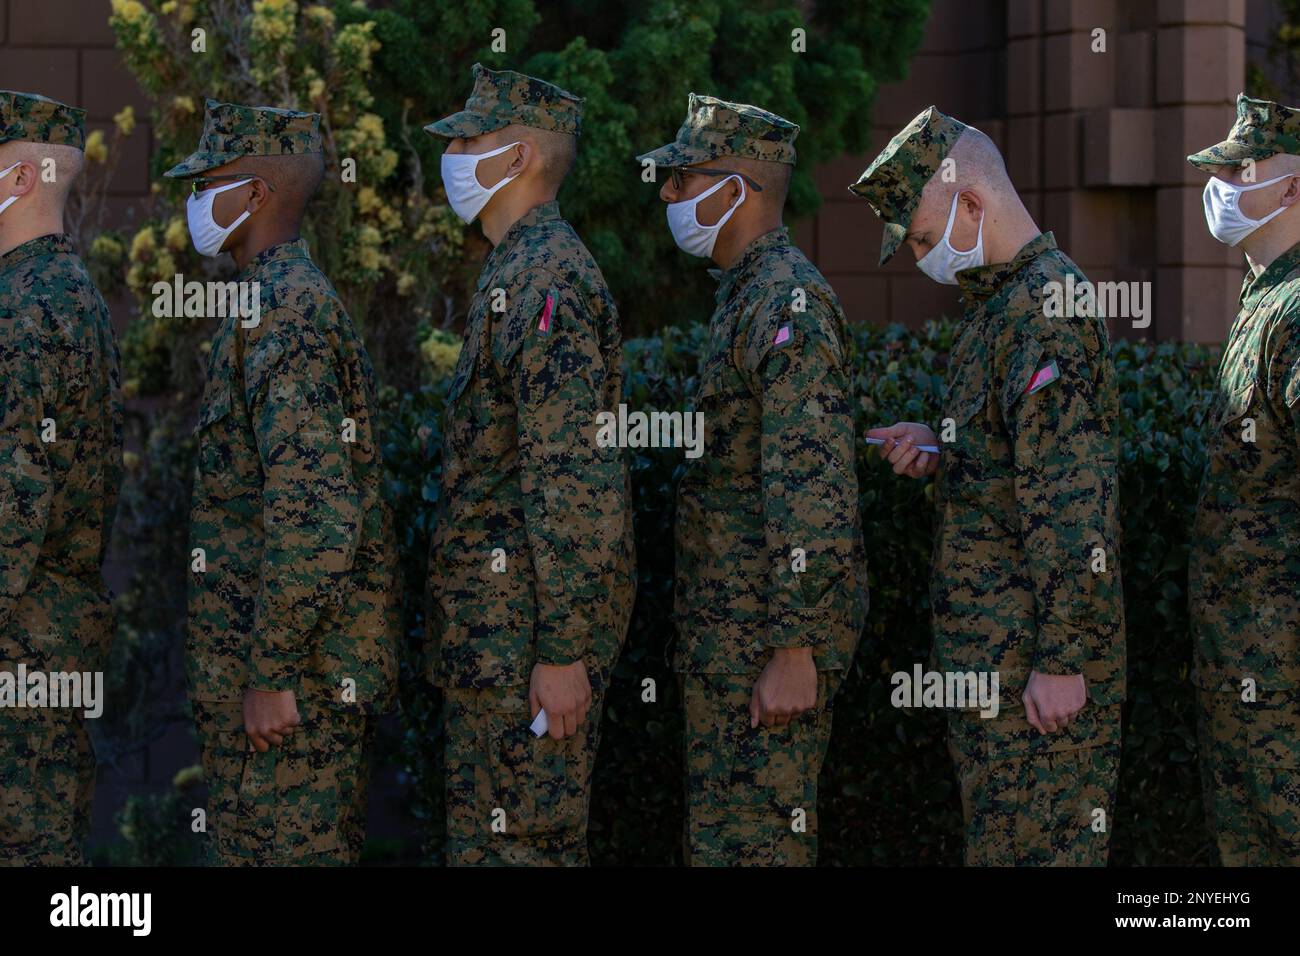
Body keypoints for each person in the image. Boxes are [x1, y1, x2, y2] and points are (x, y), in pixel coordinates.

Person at [852, 105, 1125, 866]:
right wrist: (946, 448)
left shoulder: (1045, 312)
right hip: (996, 668)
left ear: (970, 205)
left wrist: (1064, 658)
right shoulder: (1003, 306)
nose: (916, 257)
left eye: (917, 235)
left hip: (1032, 675)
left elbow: (1075, 498)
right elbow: (1023, 462)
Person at [637, 93, 867, 866]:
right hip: (733, 644)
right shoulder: (746, 293)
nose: (668, 195)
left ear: (738, 188)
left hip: (764, 648)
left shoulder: (784, 302)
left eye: (684, 179)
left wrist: (796, 649)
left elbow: (811, 487)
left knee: (757, 849)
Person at [174, 99, 398, 865]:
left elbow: (316, 514)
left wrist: (271, 672)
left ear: (255, 195)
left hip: (293, 697)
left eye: (208, 183)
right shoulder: (264, 304)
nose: (193, 200)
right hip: (279, 689)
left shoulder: (284, 312)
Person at [425, 64, 634, 866]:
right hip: (497, 651)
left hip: (525, 658)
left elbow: (572, 477)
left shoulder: (546, 278)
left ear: (514, 159)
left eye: (468, 140)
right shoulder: (519, 270)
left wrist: (563, 650)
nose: (453, 155)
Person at [0, 90, 122, 866]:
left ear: (15, 181)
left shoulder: (22, 308)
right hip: (50, 638)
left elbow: (13, 500)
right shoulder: (74, 296)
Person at [1187, 92, 1300, 866]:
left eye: (1242, 169)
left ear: (1291, 188)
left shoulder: (1295, 308)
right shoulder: (1263, 299)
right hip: (1247, 659)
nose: (1222, 186)